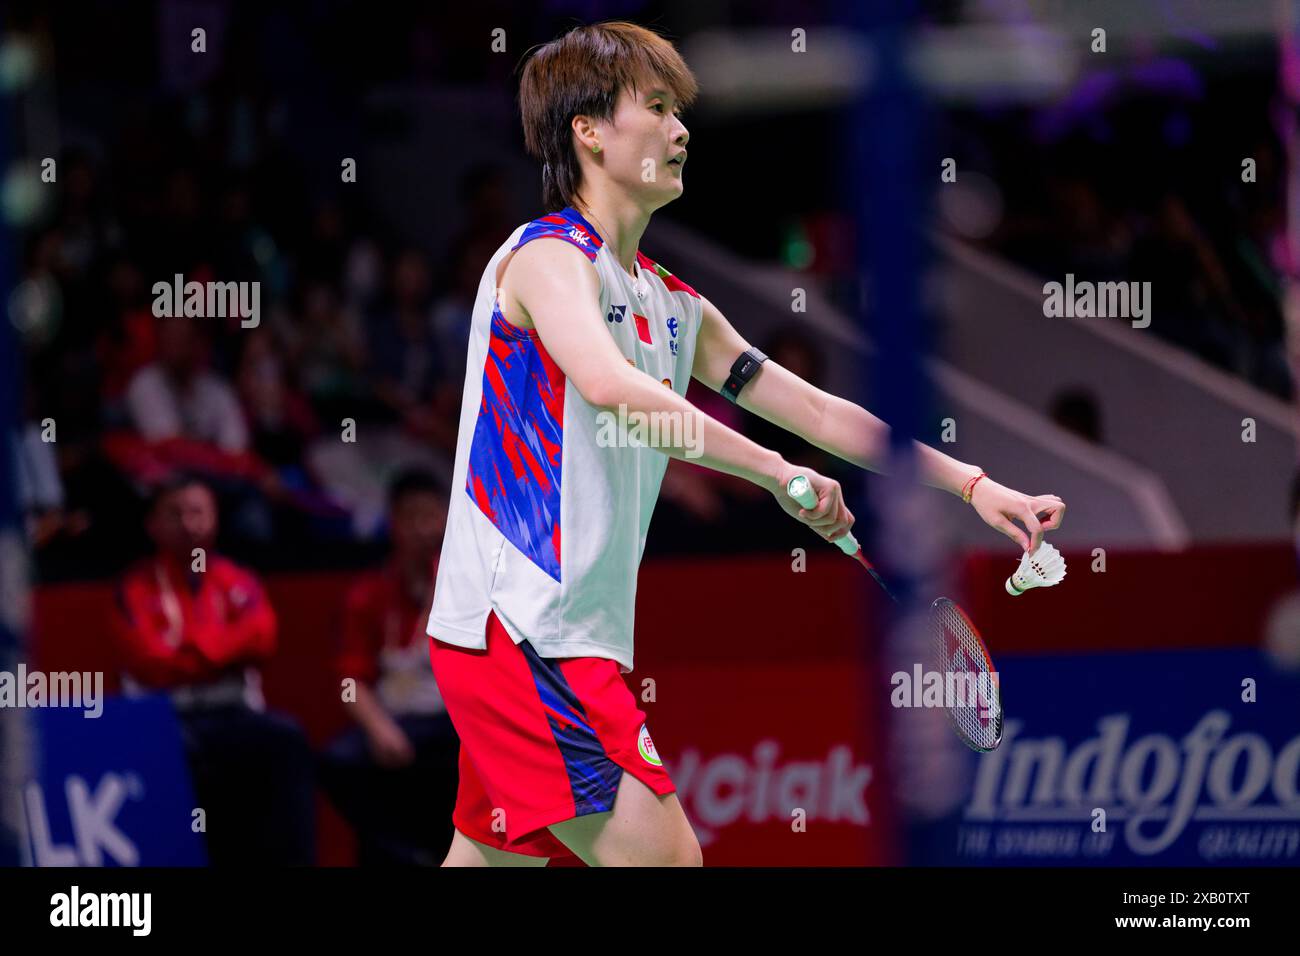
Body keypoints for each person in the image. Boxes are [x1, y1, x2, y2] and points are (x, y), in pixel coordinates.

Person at [426, 20, 1067, 868]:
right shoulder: (546, 259)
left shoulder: (671, 305)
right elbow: (614, 389)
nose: (681, 129)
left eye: (679, 111)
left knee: (488, 861)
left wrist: (973, 484)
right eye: (654, 107)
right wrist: (772, 471)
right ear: (586, 131)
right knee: (668, 861)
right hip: (524, 629)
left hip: (569, 635)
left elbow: (819, 411)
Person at [111, 476, 316, 865]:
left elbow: (263, 639)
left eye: (197, 512)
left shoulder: (239, 580)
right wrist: (224, 647)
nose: (189, 524)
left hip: (233, 712)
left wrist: (192, 647)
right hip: (166, 719)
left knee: (287, 739)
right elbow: (151, 663)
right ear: (152, 525)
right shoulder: (133, 587)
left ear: (215, 519)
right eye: (175, 514)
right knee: (182, 764)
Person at [317, 470, 458, 865]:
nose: (421, 529)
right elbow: (351, 680)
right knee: (340, 759)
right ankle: (407, 855)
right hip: (397, 720)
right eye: (410, 518)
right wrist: (378, 727)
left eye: (430, 517)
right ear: (393, 523)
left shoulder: (469, 585)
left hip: (457, 721)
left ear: (448, 520)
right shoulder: (368, 594)